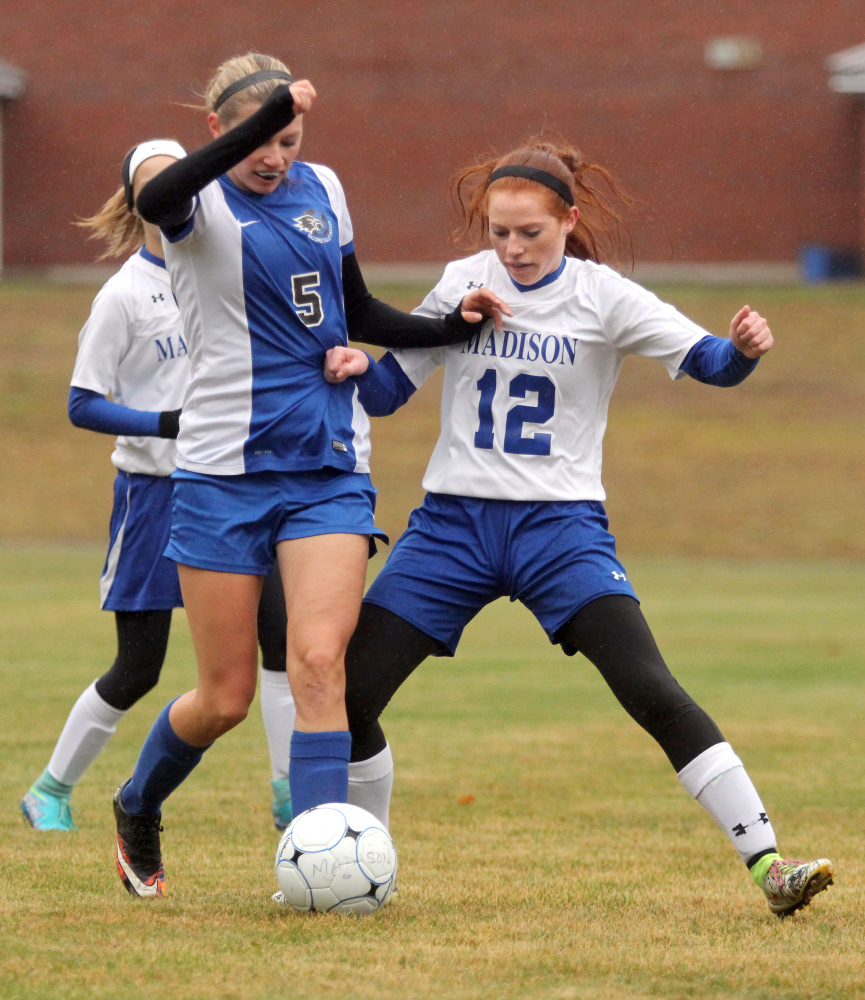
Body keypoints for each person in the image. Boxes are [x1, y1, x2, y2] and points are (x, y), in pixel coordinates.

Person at [327, 140, 834, 918]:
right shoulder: (464, 282)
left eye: (529, 231)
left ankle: (769, 865)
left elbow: (711, 363)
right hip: (449, 528)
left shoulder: (604, 297)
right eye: (498, 232)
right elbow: (393, 389)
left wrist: (744, 349)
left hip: (558, 531)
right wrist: (353, 371)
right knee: (347, 696)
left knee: (647, 687)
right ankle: (365, 867)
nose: (511, 249)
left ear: (567, 219)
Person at [111, 53, 508, 898]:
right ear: (218, 129)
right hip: (220, 475)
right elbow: (151, 195)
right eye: (262, 139)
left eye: (290, 140)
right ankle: (138, 803)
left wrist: (448, 324)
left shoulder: (322, 187)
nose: (277, 158)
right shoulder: (191, 195)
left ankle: (322, 864)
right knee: (223, 699)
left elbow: (354, 310)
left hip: (327, 466)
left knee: (319, 664)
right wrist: (262, 118)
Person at [19, 142, 297, 834]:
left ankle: (291, 791)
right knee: (139, 666)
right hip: (153, 496)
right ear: (137, 199)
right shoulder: (122, 295)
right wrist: (166, 423)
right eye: (155, 182)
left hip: (236, 488)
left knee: (280, 640)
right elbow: (83, 403)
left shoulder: (228, 272)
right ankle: (50, 790)